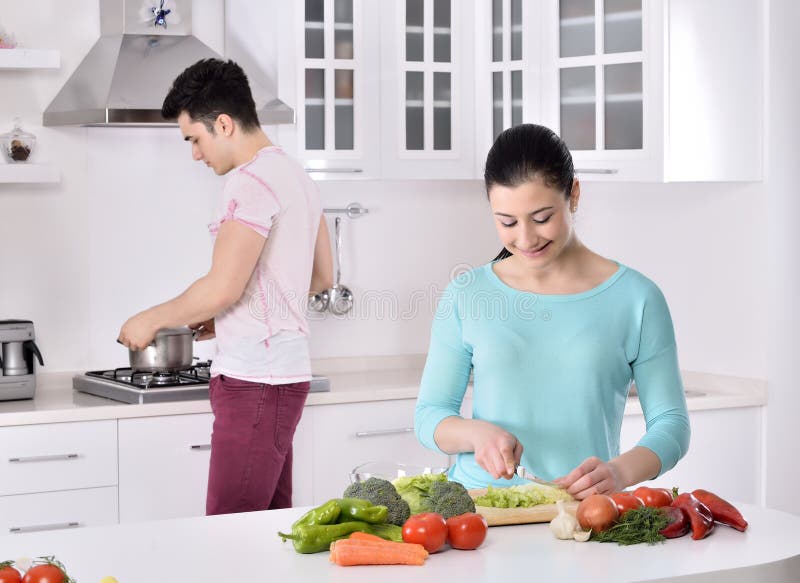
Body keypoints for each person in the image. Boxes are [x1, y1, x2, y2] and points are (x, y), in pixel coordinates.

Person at [414, 124, 690, 499]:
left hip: (582, 510)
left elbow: (672, 423)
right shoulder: (467, 294)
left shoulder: (637, 298)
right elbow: (430, 414)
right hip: (480, 511)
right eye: (507, 222)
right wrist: (475, 433)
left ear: (573, 195)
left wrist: (619, 472)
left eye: (542, 218)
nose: (525, 238)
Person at [117, 59, 333, 514]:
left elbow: (222, 286)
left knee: (227, 529)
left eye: (194, 139)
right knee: (268, 528)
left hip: (254, 381)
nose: (195, 155)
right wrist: (238, 312)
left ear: (223, 123)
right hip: (286, 377)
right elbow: (321, 277)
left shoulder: (249, 181)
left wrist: (148, 319)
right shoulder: (297, 175)